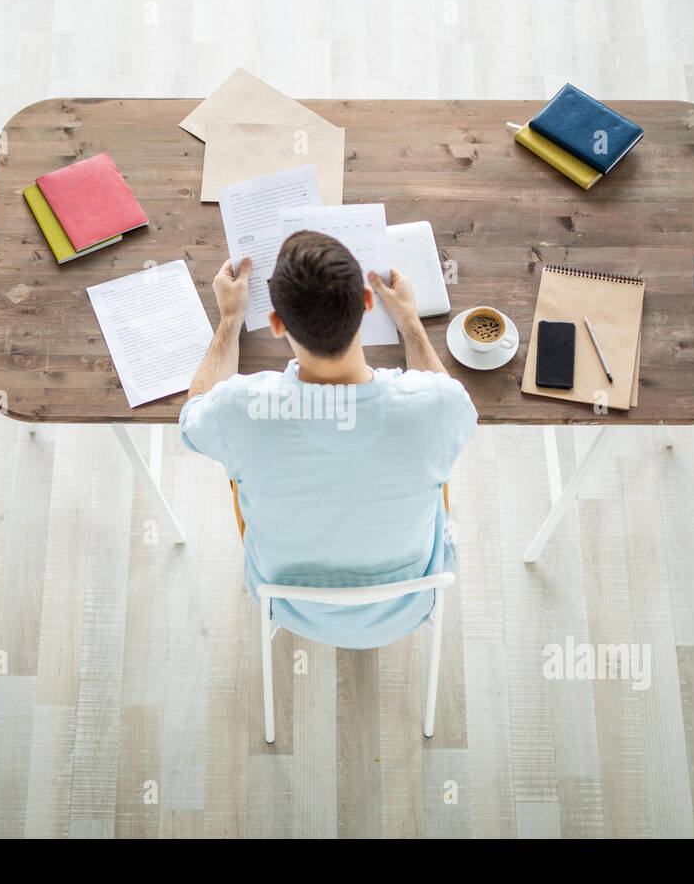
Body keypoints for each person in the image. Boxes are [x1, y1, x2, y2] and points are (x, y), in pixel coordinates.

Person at [179, 230, 478, 649]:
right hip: (411, 604)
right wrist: (410, 322)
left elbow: (191, 419)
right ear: (368, 304)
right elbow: (451, 402)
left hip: (289, 607)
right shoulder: (438, 406)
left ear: (278, 324)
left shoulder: (239, 409)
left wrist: (229, 319)